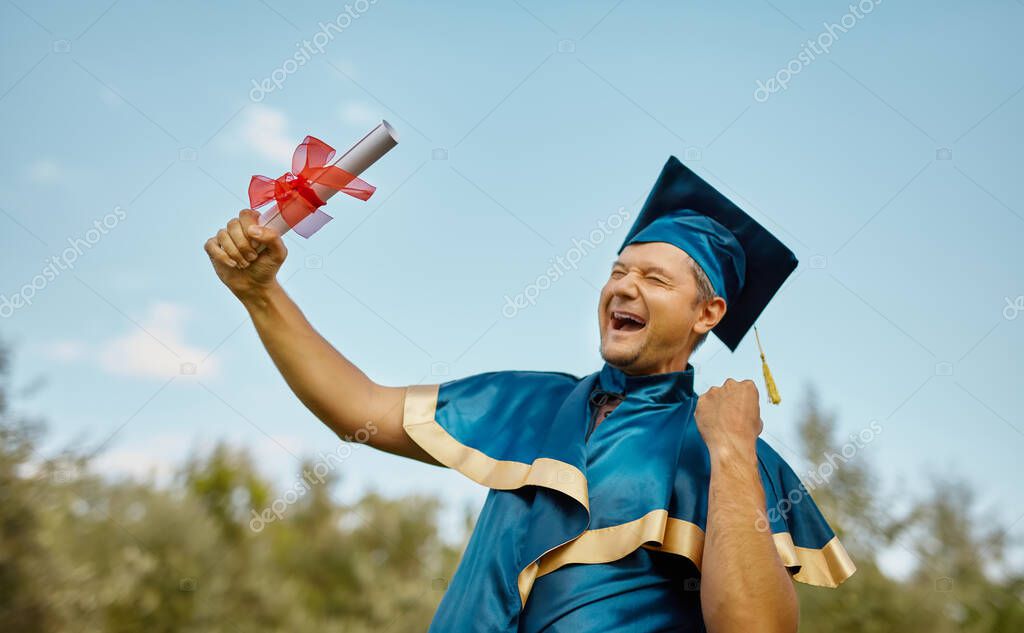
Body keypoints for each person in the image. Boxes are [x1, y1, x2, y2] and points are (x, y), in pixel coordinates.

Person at [204, 156, 855, 632]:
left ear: (708, 313)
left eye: (654, 277)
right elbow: (360, 411)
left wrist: (735, 451)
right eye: (618, 271)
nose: (623, 287)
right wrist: (260, 294)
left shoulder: (720, 449)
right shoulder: (533, 404)